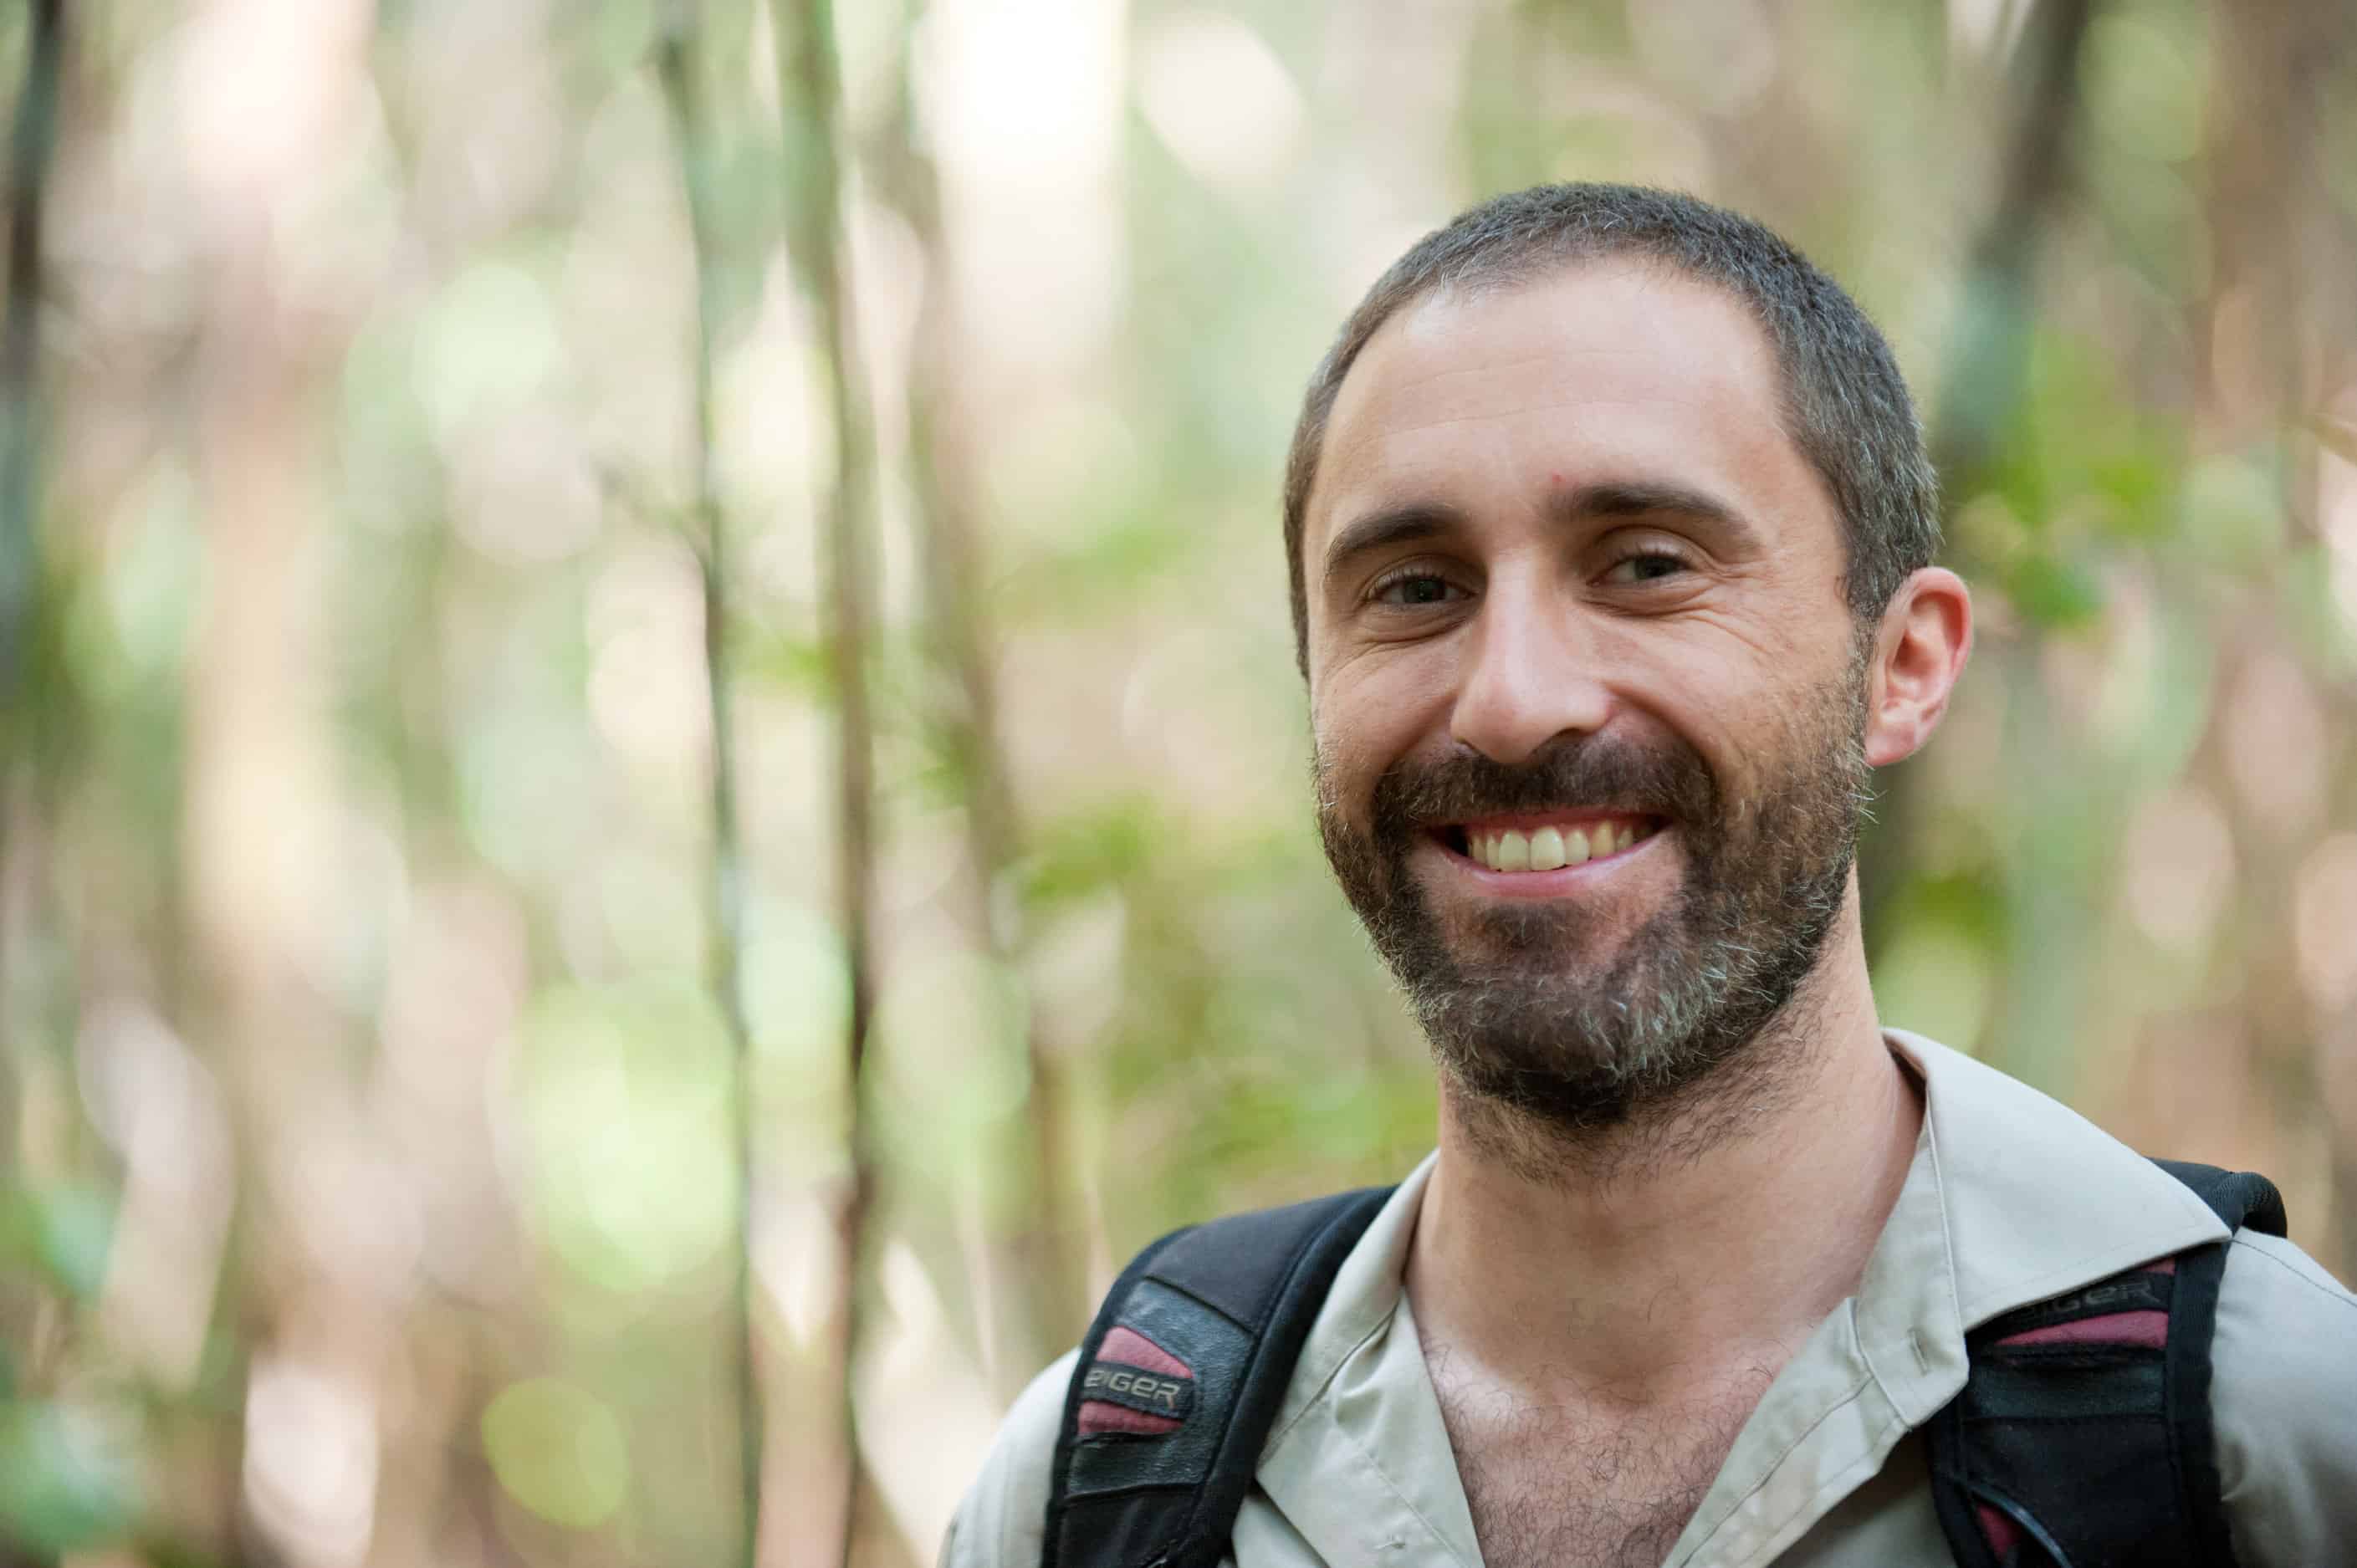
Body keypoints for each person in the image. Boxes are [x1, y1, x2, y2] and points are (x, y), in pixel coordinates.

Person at [941, 184, 2357, 1568]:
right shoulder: (1099, 1487)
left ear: (1902, 664)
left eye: (1647, 565)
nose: (1511, 702)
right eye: (1416, 588)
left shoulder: (2268, 1439)